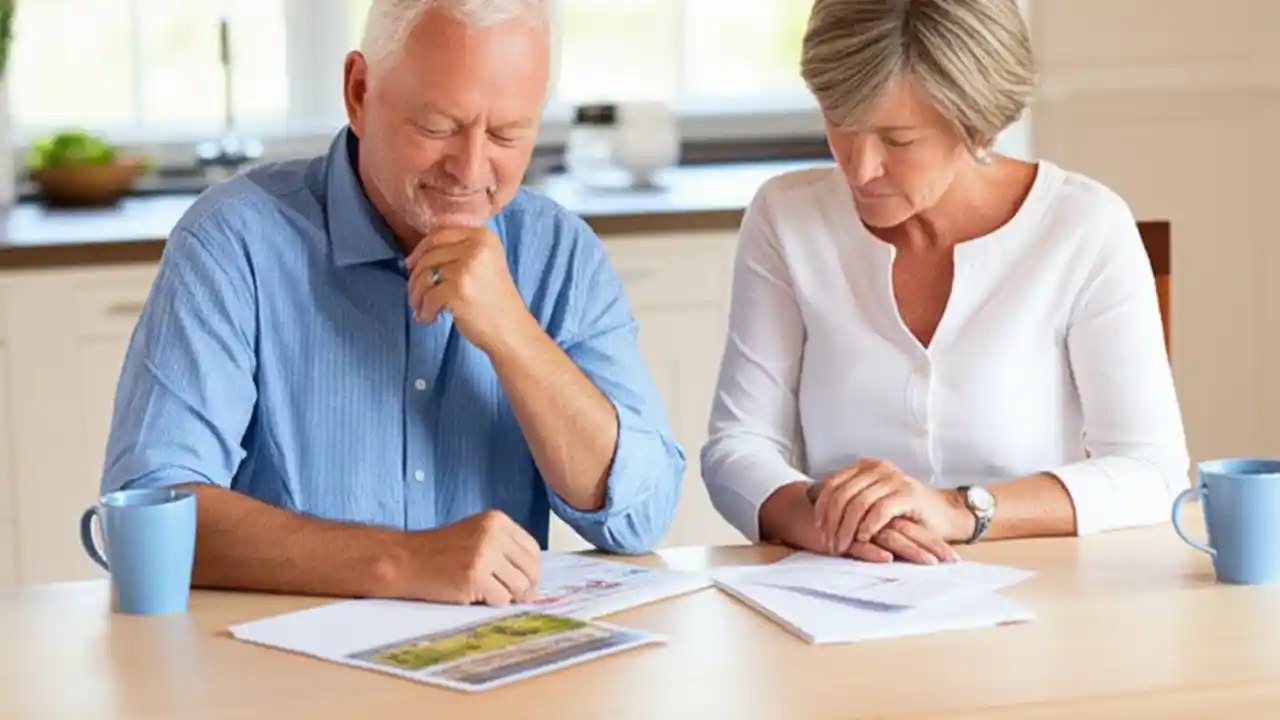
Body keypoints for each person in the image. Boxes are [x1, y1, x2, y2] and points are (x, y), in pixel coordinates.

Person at [100, 0, 684, 607]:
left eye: (509, 134)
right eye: (438, 127)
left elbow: (639, 513)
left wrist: (511, 332)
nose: (471, 168)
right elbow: (150, 514)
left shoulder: (559, 254)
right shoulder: (233, 242)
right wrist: (401, 561)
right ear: (358, 92)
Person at [701, 0, 1188, 565]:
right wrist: (829, 523)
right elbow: (737, 446)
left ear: (977, 125)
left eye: (899, 141)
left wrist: (957, 511)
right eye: (839, 122)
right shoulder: (786, 217)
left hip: (1041, 606)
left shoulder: (1084, 227)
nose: (860, 168)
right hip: (842, 593)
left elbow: (1151, 471)